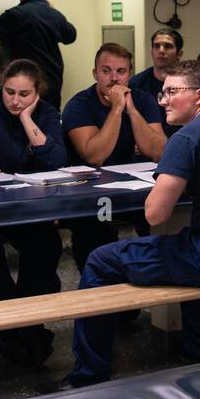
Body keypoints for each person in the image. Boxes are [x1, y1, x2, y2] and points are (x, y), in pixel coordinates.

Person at [64, 61, 200, 386]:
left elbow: (155, 215)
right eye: (161, 93)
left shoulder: (186, 137)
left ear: (199, 95)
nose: (163, 100)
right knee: (189, 243)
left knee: (99, 261)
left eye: (172, 92)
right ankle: (199, 350)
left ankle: (88, 375)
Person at [0, 59, 67, 366]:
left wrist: (28, 119)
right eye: (10, 92)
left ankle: (27, 326)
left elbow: (55, 159)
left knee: (46, 246)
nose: (15, 100)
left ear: (37, 93)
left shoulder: (47, 113)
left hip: (27, 208)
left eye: (24, 95)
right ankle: (18, 330)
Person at [62, 43, 167, 270]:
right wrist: (117, 109)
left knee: (163, 220)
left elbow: (158, 152)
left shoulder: (143, 100)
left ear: (130, 74)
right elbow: (95, 156)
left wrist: (131, 109)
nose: (114, 78)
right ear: (95, 73)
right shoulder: (79, 105)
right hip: (90, 194)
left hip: (132, 188)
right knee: (98, 235)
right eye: (106, 70)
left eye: (121, 71)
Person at [0, 0, 75, 104]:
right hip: (52, 81)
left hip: (25, 80)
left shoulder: (17, 14)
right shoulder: (55, 15)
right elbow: (71, 36)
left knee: (23, 116)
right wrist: (53, 14)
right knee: (49, 117)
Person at [129, 27, 183, 102]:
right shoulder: (136, 83)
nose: (161, 51)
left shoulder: (189, 84)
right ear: (152, 52)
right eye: (156, 46)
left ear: (179, 54)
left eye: (167, 46)